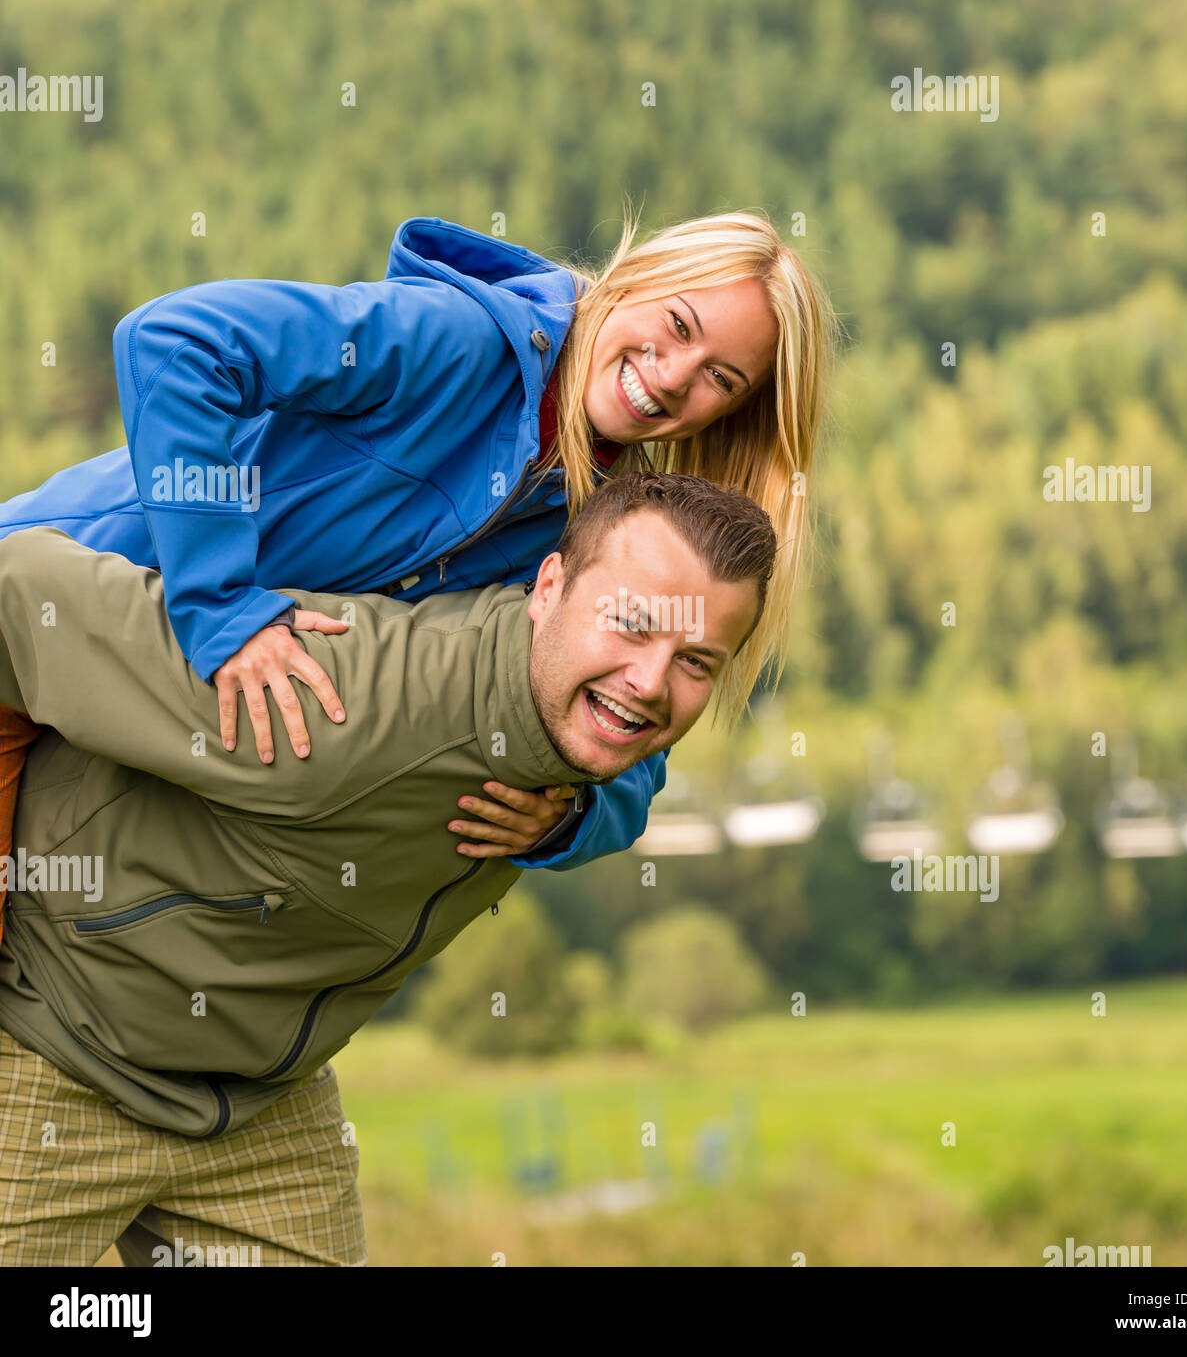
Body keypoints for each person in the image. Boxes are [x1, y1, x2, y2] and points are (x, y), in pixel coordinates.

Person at [0, 471, 776, 1266]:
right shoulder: (335, 698)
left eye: (696, 662)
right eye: (632, 625)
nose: (649, 683)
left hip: (264, 1105)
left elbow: (633, 784)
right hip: (52, 1049)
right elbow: (16, 589)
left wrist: (575, 816)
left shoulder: (569, 757)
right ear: (548, 587)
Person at [0, 208, 838, 890]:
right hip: (35, 628)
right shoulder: (455, 339)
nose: (671, 374)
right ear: (635, 282)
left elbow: (638, 722)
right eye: (676, 325)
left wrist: (575, 817)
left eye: (720, 378)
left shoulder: (596, 515)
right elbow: (176, 344)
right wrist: (221, 605)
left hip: (118, 715)